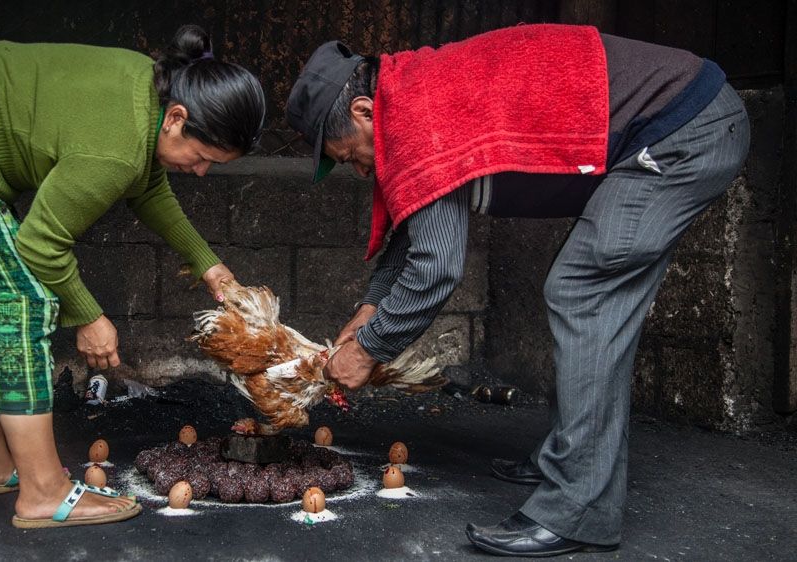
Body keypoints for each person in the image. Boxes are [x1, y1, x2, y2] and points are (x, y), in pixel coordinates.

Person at [286, 24, 749, 556]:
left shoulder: (416, 116)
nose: (357, 168)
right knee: (585, 290)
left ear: (366, 111)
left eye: (348, 154)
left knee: (582, 291)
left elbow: (436, 268)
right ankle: (572, 461)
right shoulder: (417, 95)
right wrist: (371, 307)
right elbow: (419, 226)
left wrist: (369, 350)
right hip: (685, 120)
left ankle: (579, 510)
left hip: (684, 128)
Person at [0, 24, 265, 529]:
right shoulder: (116, 145)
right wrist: (89, 317)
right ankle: (43, 491)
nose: (201, 171)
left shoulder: (151, 88)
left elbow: (145, 186)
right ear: (177, 118)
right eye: (203, 158)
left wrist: (207, 264)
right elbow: (40, 243)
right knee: (16, 305)